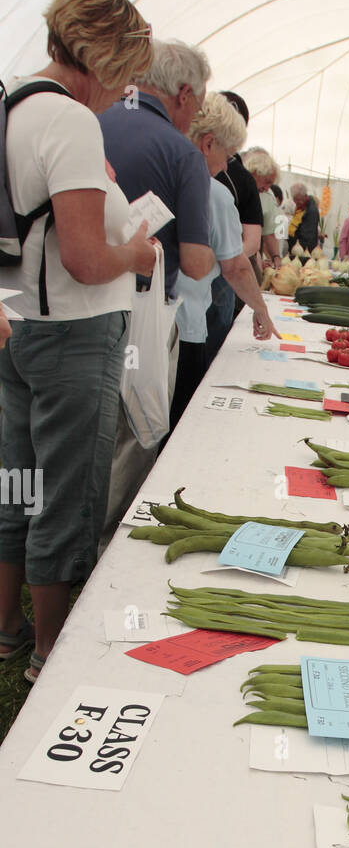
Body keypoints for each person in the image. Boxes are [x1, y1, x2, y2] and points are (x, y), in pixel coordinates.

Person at [0, 0, 157, 682]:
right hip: (73, 330)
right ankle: (50, 656)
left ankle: (5, 631)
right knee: (67, 493)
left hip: (17, 324)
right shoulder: (69, 120)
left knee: (16, 483)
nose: (121, 92)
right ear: (100, 55)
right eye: (122, 73)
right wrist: (140, 255)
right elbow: (89, 259)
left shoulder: (11, 102)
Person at [99, 39, 214, 541]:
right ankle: (105, 549)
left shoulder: (94, 117)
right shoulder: (182, 153)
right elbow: (194, 262)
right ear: (184, 93)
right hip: (139, 317)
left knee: (69, 440)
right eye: (200, 101)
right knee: (133, 435)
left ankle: (48, 557)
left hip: (65, 307)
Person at [170, 95, 279, 427]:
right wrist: (260, 310)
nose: (226, 164)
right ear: (207, 145)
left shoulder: (161, 173)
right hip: (184, 326)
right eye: (227, 155)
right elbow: (235, 266)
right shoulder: (213, 194)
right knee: (179, 420)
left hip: (145, 322)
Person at [206, 90, 263, 363]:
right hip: (215, 280)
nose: (220, 166)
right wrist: (227, 259)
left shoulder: (241, 179)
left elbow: (252, 241)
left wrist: (227, 254)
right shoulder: (212, 188)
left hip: (217, 280)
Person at [243, 149, 282, 269]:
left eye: (271, 184)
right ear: (255, 172)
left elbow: (269, 233)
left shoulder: (267, 196)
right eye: (266, 182)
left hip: (250, 256)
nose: (267, 188)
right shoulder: (235, 187)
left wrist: (275, 256)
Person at [287, 182, 320, 254]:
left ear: (305, 196)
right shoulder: (301, 206)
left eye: (299, 199)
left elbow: (307, 237)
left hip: (302, 252)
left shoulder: (311, 211)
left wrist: (296, 249)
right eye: (295, 199)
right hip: (294, 248)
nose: (297, 202)